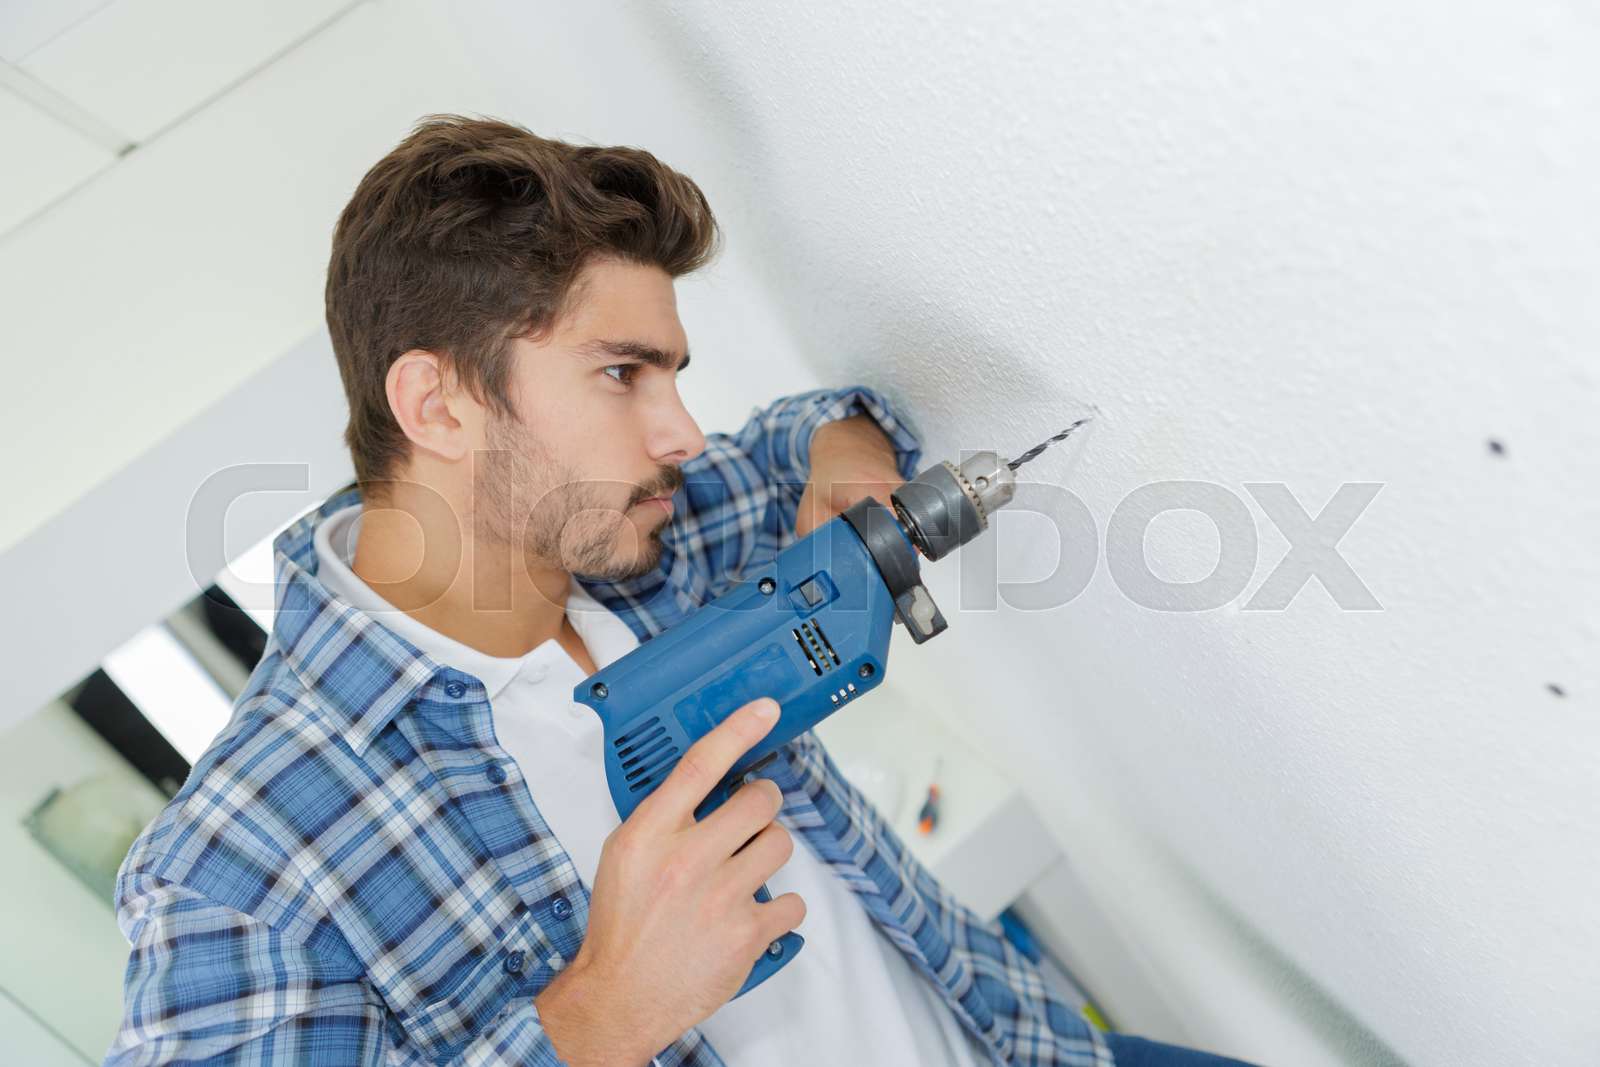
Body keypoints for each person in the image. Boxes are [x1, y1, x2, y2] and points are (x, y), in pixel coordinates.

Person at [106, 115, 1254, 1066]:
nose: (681, 433)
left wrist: (847, 457)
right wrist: (599, 1016)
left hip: (1030, 1042)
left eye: (672, 373)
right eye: (621, 373)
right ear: (438, 404)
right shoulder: (236, 871)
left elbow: (811, 435)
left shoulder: (640, 553)